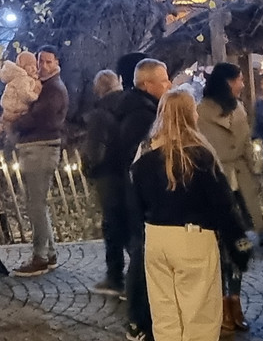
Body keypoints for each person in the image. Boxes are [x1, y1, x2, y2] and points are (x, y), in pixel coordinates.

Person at [131, 89, 250, 341]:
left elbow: (135, 207)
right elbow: (223, 206)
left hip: (156, 239)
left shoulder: (144, 162)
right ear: (189, 115)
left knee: (165, 319)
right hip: (193, 238)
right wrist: (239, 244)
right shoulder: (200, 157)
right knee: (200, 318)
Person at [195, 62, 258, 334]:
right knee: (217, 249)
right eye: (239, 79)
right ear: (227, 82)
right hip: (213, 187)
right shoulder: (199, 112)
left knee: (240, 245)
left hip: (239, 185)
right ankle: (221, 306)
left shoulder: (239, 109)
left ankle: (235, 300)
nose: (242, 84)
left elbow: (246, 144)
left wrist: (254, 171)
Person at [116, 58, 171, 341]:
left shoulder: (139, 109)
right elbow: (140, 161)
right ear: (148, 85)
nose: (169, 85)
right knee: (142, 255)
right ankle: (139, 319)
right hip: (141, 198)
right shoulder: (142, 116)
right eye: (164, 80)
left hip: (134, 195)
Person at [83, 54, 143, 298]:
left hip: (108, 175)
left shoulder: (99, 114)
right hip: (130, 172)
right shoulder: (133, 106)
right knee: (131, 225)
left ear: (98, 90)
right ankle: (137, 274)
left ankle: (116, 277)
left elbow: (94, 151)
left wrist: (89, 169)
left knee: (113, 225)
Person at [8, 45, 68, 277]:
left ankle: (40, 256)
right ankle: (49, 253)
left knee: (36, 205)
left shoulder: (54, 89)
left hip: (41, 149)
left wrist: (13, 123)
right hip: (36, 148)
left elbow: (38, 117)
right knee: (37, 204)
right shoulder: (44, 86)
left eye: (48, 61)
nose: (43, 66)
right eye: (40, 61)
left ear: (57, 63)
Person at [0, 51, 43, 127]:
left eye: (34, 65)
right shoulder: (22, 78)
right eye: (29, 65)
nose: (33, 68)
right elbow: (24, 94)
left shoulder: (25, 77)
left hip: (12, 108)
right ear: (22, 67)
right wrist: (35, 96)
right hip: (15, 108)